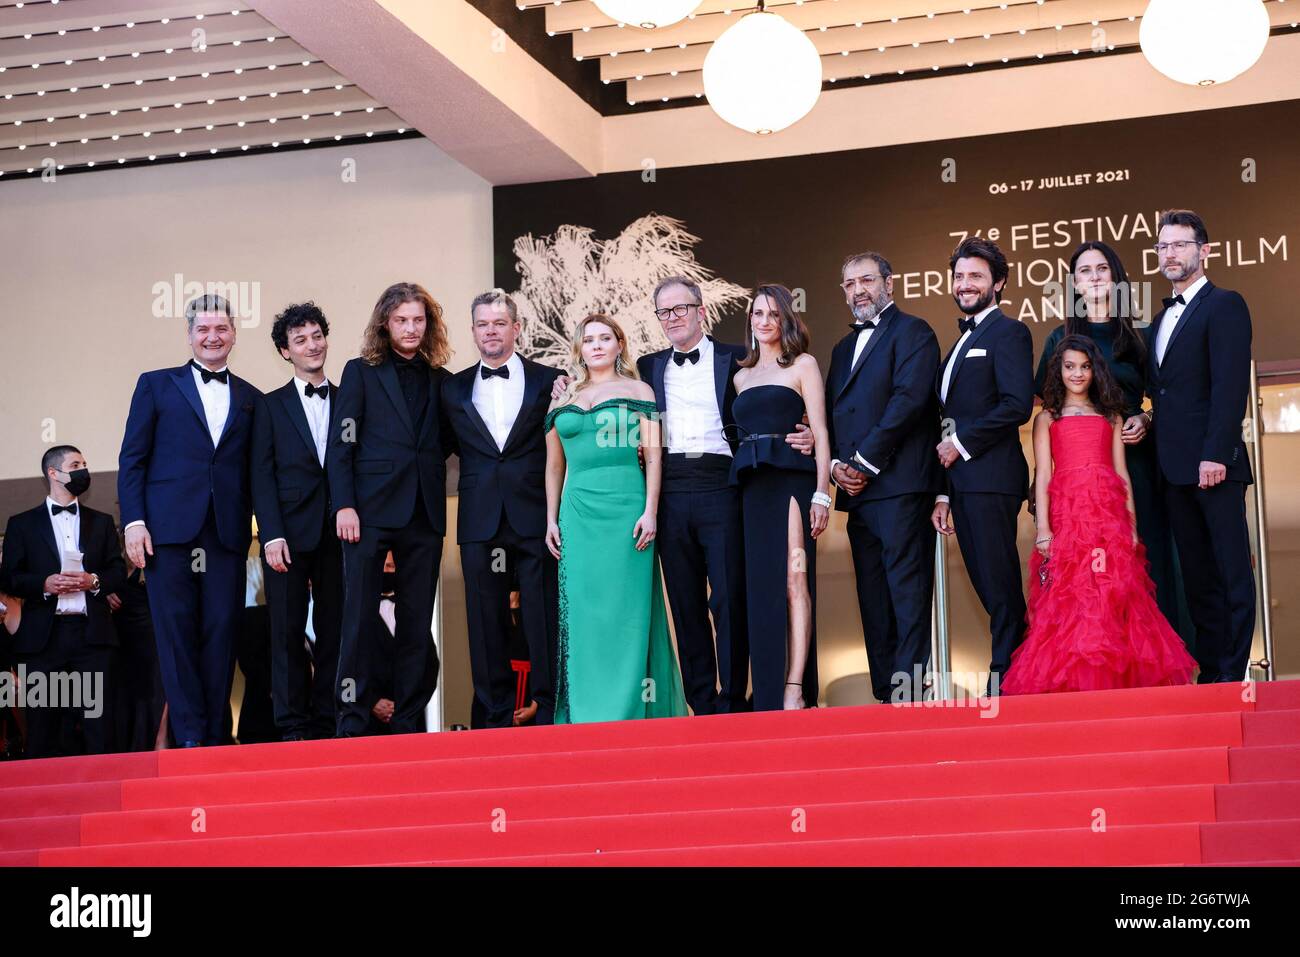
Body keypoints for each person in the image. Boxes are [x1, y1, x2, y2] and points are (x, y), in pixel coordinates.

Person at [632, 276, 813, 715]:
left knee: (729, 596)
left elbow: (780, 395)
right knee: (685, 598)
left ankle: (734, 699)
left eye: (681, 308)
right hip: (670, 483)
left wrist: (807, 431)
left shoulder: (738, 358)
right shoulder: (647, 365)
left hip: (724, 482)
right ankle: (703, 704)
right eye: (664, 312)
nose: (673, 318)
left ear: (701, 311)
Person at [1004, 337, 1196, 694]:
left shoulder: (1111, 416)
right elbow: (1043, 473)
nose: (1077, 373)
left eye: (1085, 367)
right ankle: (1076, 689)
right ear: (1058, 371)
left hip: (1108, 517)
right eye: (1070, 366)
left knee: (1111, 593)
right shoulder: (1048, 418)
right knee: (1071, 595)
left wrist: (1132, 528)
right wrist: (1044, 528)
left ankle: (1115, 687)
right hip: (1067, 515)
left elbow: (1122, 474)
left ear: (1095, 371)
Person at [118, 294, 261, 747]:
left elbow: (258, 473)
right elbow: (132, 460)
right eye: (203, 329)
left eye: (221, 329)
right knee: (175, 637)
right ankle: (190, 739)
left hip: (227, 533)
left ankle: (217, 735)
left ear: (234, 333)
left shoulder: (253, 398)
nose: (212, 337)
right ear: (189, 334)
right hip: (168, 535)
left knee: (221, 633)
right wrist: (134, 522)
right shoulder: (156, 385)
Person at [1035, 242, 1191, 646]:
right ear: (1074, 284)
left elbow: (1164, 396)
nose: (1094, 277)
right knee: (1087, 577)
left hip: (1137, 466)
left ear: (1116, 276)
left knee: (1149, 562)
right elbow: (1049, 411)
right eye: (1084, 271)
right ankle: (1102, 666)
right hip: (1082, 481)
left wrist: (1146, 418)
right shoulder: (1058, 338)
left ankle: (1162, 671)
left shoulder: (1141, 336)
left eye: (1102, 268)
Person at [544, 314, 687, 723]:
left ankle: (626, 712)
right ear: (579, 348)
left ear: (619, 344)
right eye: (589, 339)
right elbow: (554, 466)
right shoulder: (562, 396)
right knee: (585, 614)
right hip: (577, 515)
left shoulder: (639, 389)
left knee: (628, 612)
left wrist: (651, 511)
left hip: (628, 509)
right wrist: (551, 519)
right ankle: (587, 715)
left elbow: (654, 455)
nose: (597, 345)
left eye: (605, 338)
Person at [328, 282, 456, 736]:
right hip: (369, 513)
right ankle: (352, 719)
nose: (411, 328)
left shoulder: (442, 379)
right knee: (358, 620)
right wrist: (344, 504)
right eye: (402, 319)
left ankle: (408, 721)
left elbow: (455, 439)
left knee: (417, 624)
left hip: (423, 513)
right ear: (386, 322)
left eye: (419, 320)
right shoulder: (360, 372)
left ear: (429, 324)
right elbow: (340, 444)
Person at [442, 290, 562, 728]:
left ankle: (549, 712)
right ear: (473, 331)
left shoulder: (552, 379)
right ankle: (492, 717)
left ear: (517, 328)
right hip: (479, 517)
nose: (491, 331)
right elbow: (439, 446)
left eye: (499, 323)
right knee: (484, 619)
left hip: (536, 515)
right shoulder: (450, 388)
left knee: (542, 615)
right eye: (482, 324)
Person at [826, 252, 941, 703]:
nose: (859, 290)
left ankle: (909, 691)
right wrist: (837, 466)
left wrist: (863, 461)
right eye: (850, 283)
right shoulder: (839, 349)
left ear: (889, 284)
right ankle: (882, 693)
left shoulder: (915, 332)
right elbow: (832, 416)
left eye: (867, 280)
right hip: (857, 495)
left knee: (907, 591)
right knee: (872, 595)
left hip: (900, 485)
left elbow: (909, 401)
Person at [1146, 209, 1256, 683]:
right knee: (1197, 577)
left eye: (1179, 244)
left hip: (1215, 465)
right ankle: (1212, 674)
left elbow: (1231, 388)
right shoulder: (1159, 318)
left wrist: (1215, 452)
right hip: (1173, 470)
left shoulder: (1226, 304)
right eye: (1163, 247)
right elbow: (1168, 392)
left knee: (1229, 571)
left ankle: (1235, 673)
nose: (1170, 253)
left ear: (1203, 251)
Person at [930, 238, 1034, 693]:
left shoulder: (1009, 332)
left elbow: (1016, 405)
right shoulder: (957, 345)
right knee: (987, 583)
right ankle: (1015, 670)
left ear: (999, 283)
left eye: (976, 276)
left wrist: (961, 443)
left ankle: (1008, 679)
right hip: (964, 484)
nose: (965, 284)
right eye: (960, 276)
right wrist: (943, 491)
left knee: (999, 581)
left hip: (993, 478)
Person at [728, 285, 830, 711]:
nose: (764, 321)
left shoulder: (803, 364)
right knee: (762, 588)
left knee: (794, 579)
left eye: (773, 313)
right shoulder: (740, 375)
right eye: (757, 313)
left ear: (787, 318)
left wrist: (823, 494)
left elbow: (821, 432)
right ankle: (767, 691)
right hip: (751, 488)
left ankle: (794, 686)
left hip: (792, 479)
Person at [250, 302, 343, 741]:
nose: (312, 345)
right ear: (285, 352)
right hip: (286, 534)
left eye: (316, 335)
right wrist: (270, 534)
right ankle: (291, 725)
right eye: (300, 340)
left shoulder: (349, 398)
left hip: (342, 533)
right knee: (285, 632)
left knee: (335, 628)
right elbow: (260, 475)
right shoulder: (268, 407)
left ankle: (329, 718)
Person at [0, 447, 126, 758]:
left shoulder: (102, 522)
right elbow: (9, 578)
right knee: (43, 729)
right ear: (53, 473)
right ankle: (44, 803)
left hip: (92, 637)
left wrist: (93, 581)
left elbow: (117, 571)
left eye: (85, 464)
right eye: (76, 465)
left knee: (100, 727)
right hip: (43, 640)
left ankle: (105, 799)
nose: (84, 469)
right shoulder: (21, 524)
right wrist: (43, 583)